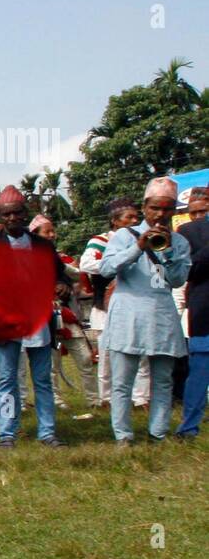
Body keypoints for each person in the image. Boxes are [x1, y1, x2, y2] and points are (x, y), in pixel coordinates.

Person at [100, 177, 190, 444]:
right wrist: (138, 248)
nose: (160, 214)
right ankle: (123, 436)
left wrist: (169, 253)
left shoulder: (180, 242)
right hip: (128, 315)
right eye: (155, 208)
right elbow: (106, 269)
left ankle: (158, 434)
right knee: (122, 382)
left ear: (173, 210)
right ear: (144, 207)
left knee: (162, 381)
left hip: (162, 315)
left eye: (167, 209)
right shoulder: (123, 236)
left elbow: (177, 280)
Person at [0, 186, 70, 449]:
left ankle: (47, 432)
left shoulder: (42, 245)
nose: (12, 218)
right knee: (7, 380)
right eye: (6, 214)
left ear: (26, 213)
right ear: (0, 217)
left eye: (17, 213)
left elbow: (60, 275)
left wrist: (62, 285)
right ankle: (7, 434)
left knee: (42, 379)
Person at [80, 198, 147, 407]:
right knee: (107, 353)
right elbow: (86, 263)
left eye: (136, 217)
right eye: (129, 217)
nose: (134, 220)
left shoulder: (142, 239)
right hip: (106, 305)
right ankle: (107, 398)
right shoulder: (101, 241)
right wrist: (115, 264)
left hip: (136, 303)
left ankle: (141, 398)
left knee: (141, 351)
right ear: (115, 221)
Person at [30, 214, 99, 409]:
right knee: (51, 363)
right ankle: (56, 400)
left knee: (85, 357)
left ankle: (94, 400)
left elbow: (77, 275)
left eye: (53, 231)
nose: (52, 235)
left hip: (66, 315)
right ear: (35, 235)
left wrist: (65, 285)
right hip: (43, 318)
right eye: (47, 232)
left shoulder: (60, 258)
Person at [176, 188, 209, 438]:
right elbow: (189, 270)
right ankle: (188, 427)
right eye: (194, 212)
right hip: (204, 310)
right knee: (199, 370)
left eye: (203, 210)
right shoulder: (187, 232)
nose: (199, 216)